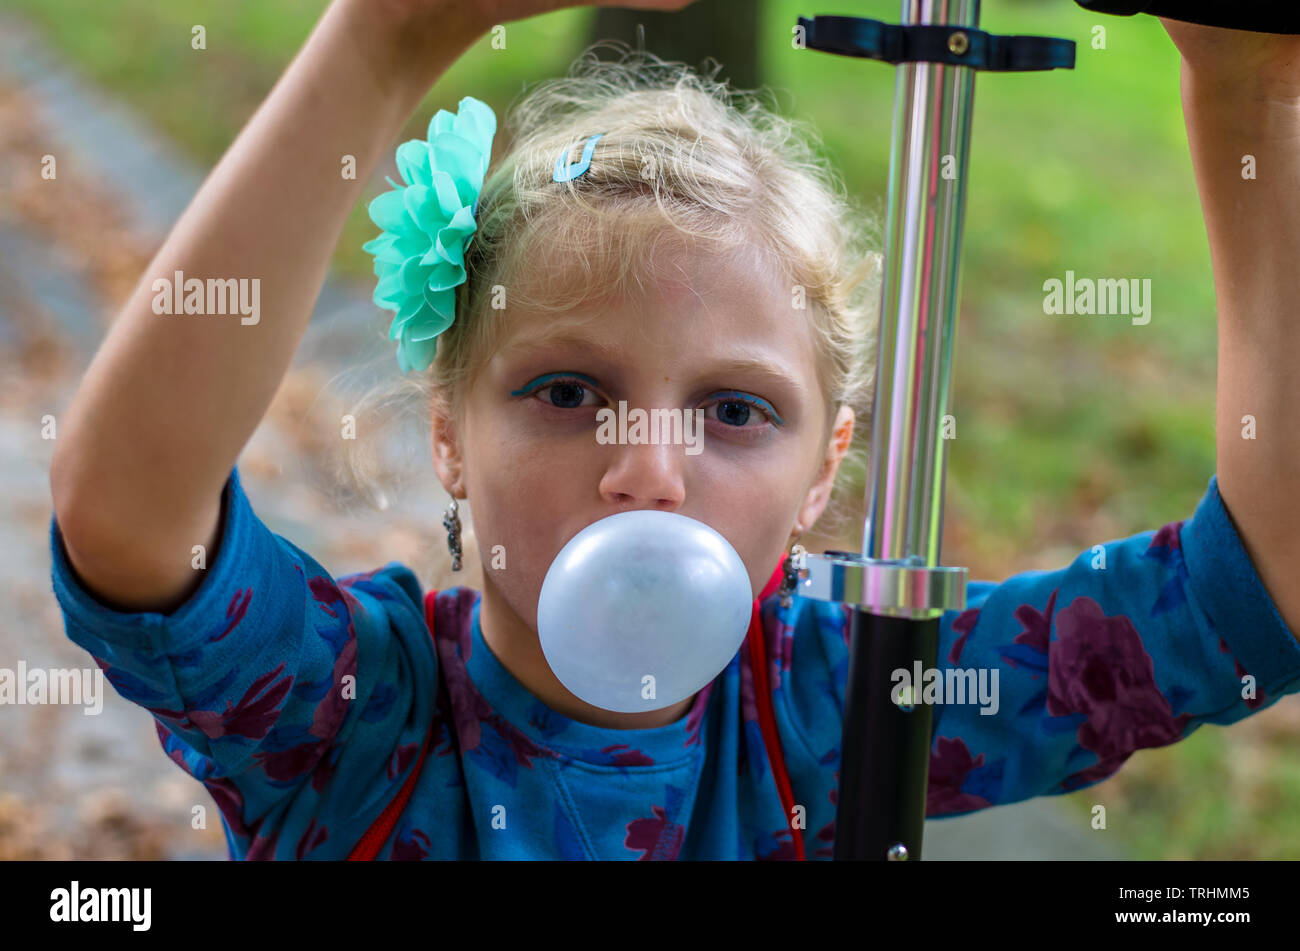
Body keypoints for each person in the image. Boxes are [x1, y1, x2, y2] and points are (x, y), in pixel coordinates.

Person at [47, 0, 1300, 859]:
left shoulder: (847, 704)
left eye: (735, 411)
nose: (648, 468)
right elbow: (128, 514)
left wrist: (1247, 94)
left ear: (823, 472)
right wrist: (385, 39)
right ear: (447, 433)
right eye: (568, 392)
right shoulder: (350, 712)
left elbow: (1257, 594)